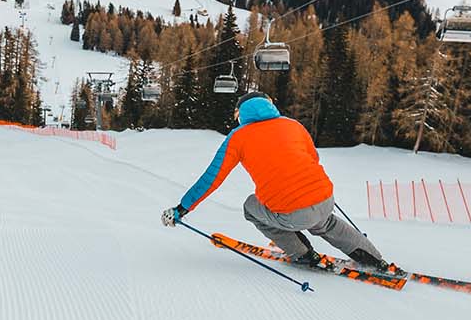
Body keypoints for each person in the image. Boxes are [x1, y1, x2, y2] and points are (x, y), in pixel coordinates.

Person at [161, 91, 390, 271]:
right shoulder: (293, 125)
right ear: (270, 105)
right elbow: (313, 158)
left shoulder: (238, 137)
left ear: (240, 114)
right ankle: (375, 260)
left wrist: (182, 209)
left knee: (251, 207)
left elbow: (211, 179)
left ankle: (302, 254)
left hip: (293, 213)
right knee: (326, 223)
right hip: (325, 199)